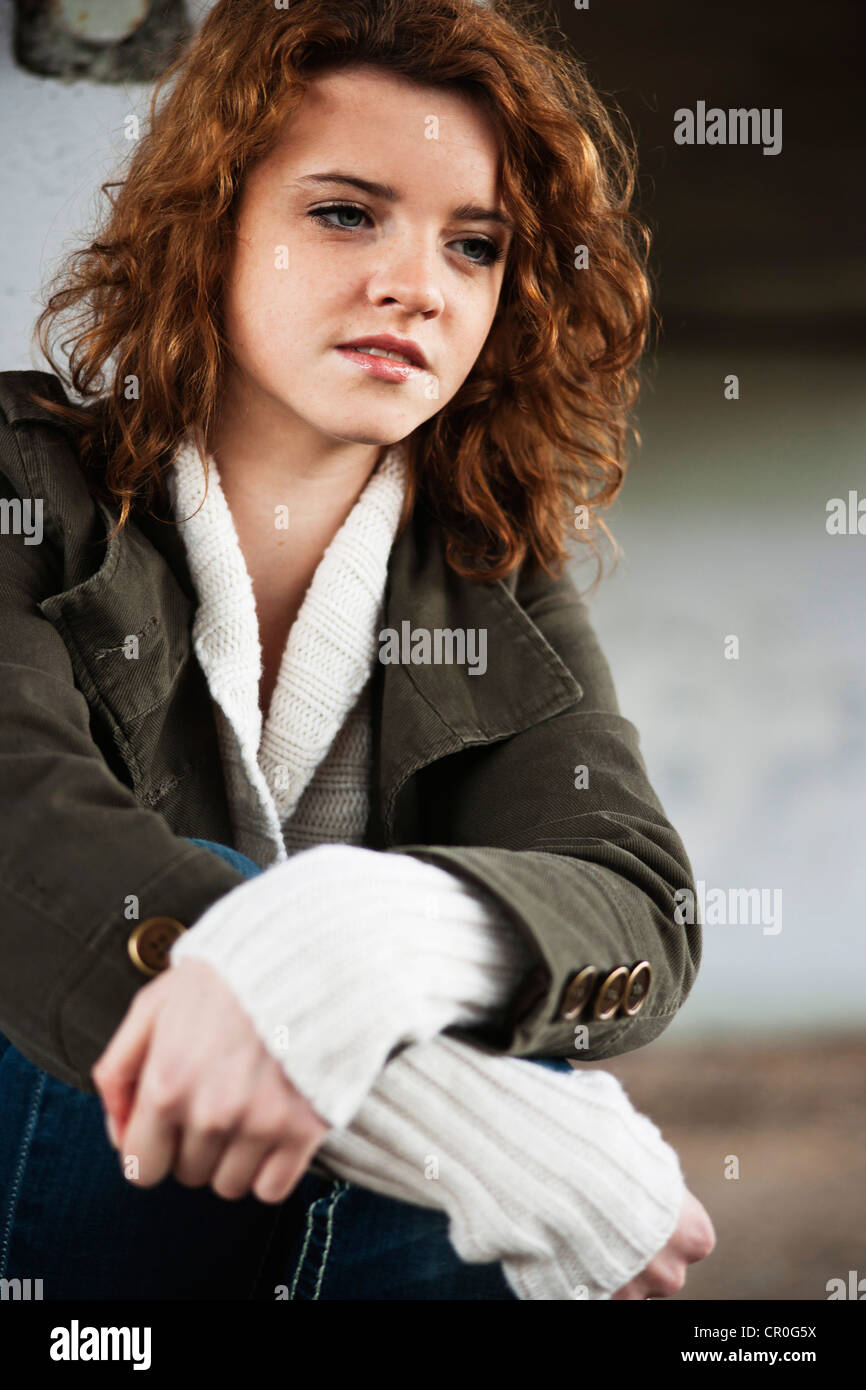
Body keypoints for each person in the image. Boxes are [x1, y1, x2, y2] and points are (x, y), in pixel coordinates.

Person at [0, 0, 714, 1299]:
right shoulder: (17, 484)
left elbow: (632, 899)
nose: (416, 284)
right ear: (211, 220)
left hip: (322, 1230)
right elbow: (24, 850)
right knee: (492, 1075)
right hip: (47, 1197)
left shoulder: (487, 573)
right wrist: (484, 1134)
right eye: (345, 212)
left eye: (475, 244)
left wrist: (365, 929)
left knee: (486, 1000)